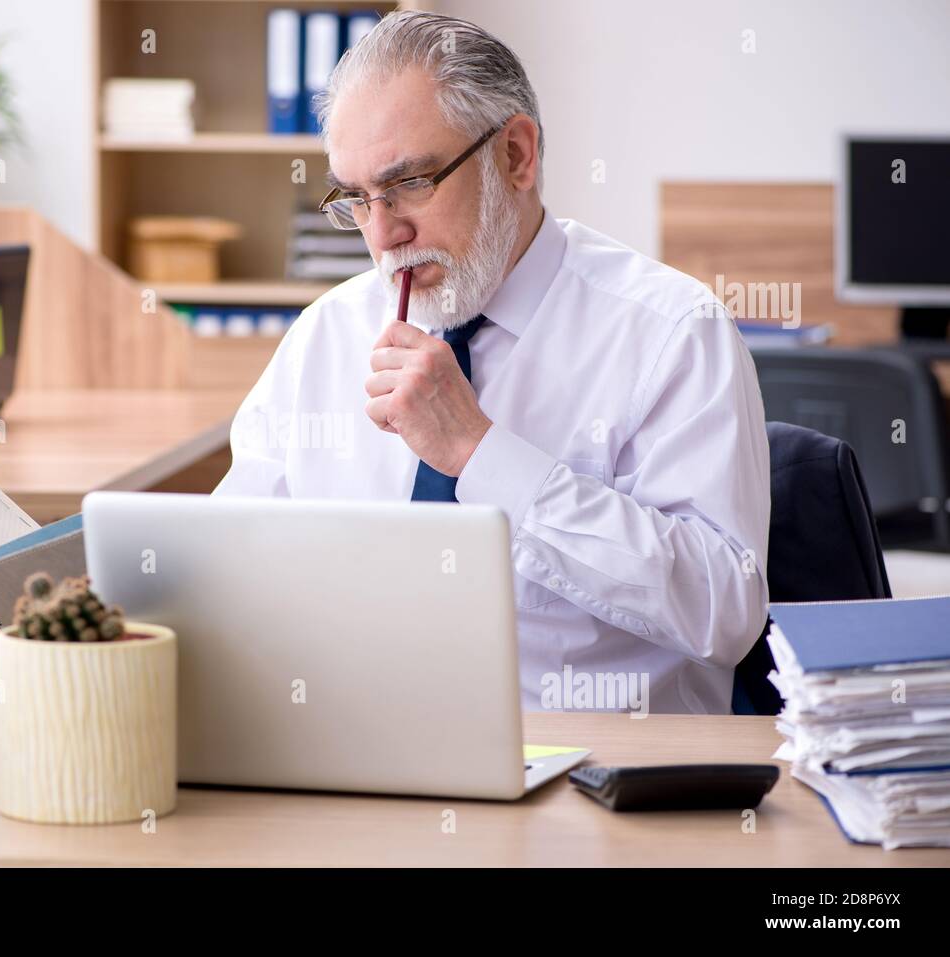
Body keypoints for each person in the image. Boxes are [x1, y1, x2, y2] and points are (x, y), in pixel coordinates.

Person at [214, 12, 770, 715]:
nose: (384, 236)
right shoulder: (325, 334)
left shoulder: (673, 332)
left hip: (598, 777)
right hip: (363, 760)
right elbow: (231, 566)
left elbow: (724, 610)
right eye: (356, 200)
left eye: (411, 182)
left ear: (516, 155)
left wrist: (478, 451)